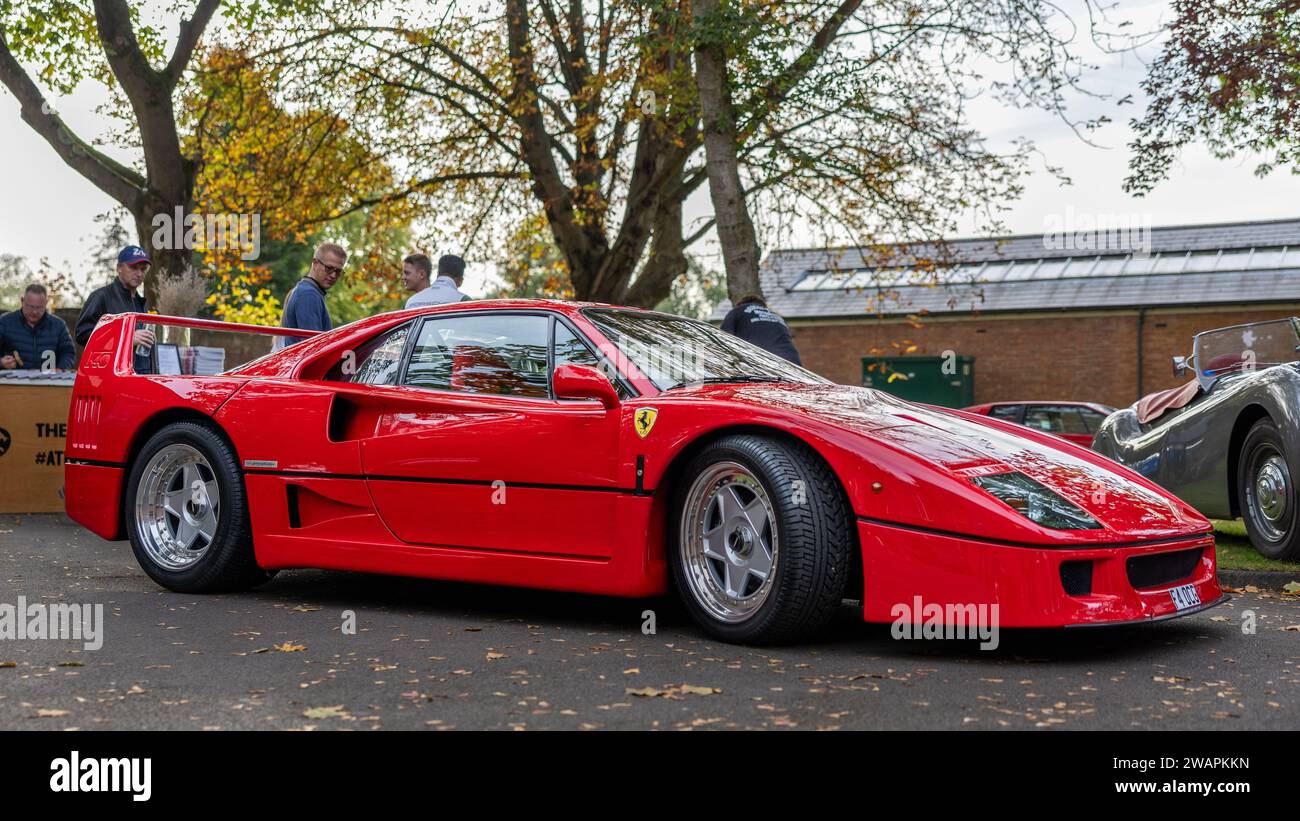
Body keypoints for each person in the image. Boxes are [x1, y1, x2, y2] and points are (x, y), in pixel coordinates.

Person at [76, 246, 153, 357]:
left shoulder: (143, 303)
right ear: (119, 268)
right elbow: (83, 335)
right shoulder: (101, 297)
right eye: (133, 267)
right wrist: (127, 338)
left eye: (143, 269)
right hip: (111, 372)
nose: (139, 274)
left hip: (140, 373)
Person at [280, 242, 346, 343]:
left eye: (338, 272)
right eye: (329, 268)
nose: (333, 275)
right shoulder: (308, 294)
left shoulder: (308, 291)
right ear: (315, 263)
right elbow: (314, 347)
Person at [0, 283, 75, 370]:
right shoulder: (5, 322)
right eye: (31, 307)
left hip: (49, 379)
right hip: (12, 379)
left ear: (46, 303)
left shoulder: (58, 325)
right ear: (22, 301)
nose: (35, 312)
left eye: (39, 307)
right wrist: (1, 362)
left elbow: (68, 353)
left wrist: (61, 368)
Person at [721, 294, 802, 365]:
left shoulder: (737, 311)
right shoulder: (777, 316)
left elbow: (723, 339)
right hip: (793, 363)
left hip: (762, 362)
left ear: (741, 304)